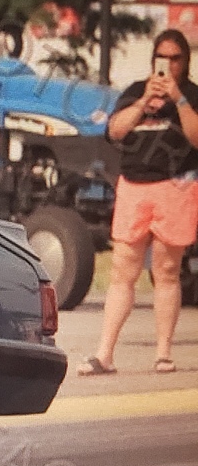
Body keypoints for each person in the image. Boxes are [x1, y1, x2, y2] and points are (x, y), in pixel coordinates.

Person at [80, 29, 198, 375]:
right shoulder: (135, 91)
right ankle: (105, 354)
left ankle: (163, 353)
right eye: (163, 57)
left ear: (185, 61)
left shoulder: (191, 95)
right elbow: (114, 131)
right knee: (122, 271)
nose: (169, 64)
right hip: (134, 185)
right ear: (153, 59)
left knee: (165, 271)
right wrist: (142, 102)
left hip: (175, 186)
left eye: (176, 58)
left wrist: (177, 98)